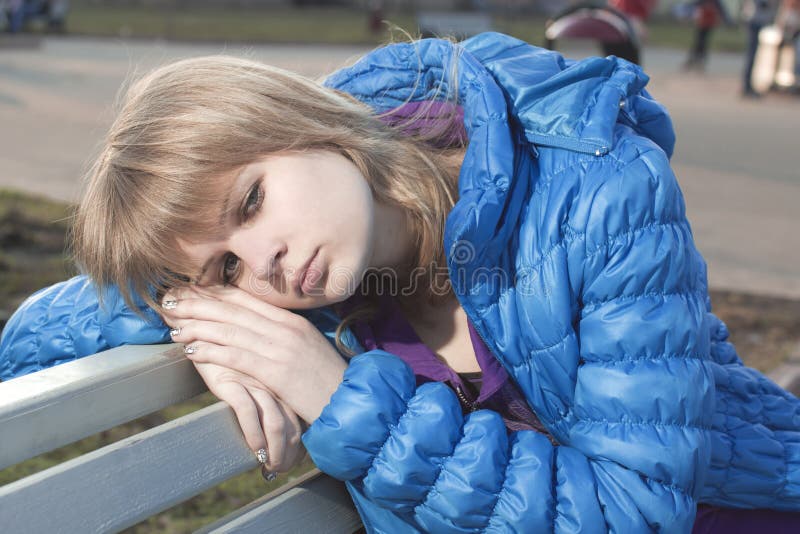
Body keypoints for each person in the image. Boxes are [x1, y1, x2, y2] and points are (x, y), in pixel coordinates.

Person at [2, 32, 800, 532]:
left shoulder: (595, 190)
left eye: (249, 201)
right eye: (228, 265)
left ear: (309, 127)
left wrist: (341, 399)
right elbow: (34, 336)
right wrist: (198, 315)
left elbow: (639, 516)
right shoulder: (313, 291)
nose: (267, 262)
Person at [740, 0, 779, 96]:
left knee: (754, 55)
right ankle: (747, 86)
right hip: (755, 21)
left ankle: (748, 85)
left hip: (757, 20)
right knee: (751, 55)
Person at [684, 0, 733, 71]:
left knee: (703, 42)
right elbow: (693, 5)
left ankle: (700, 61)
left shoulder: (716, 2)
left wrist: (728, 22)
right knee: (698, 42)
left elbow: (722, 11)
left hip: (709, 24)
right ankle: (692, 60)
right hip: (701, 23)